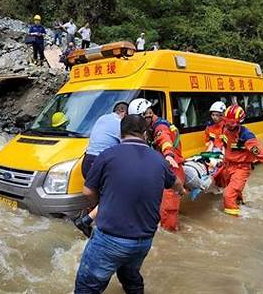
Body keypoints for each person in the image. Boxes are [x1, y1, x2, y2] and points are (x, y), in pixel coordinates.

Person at [74, 114, 184, 293]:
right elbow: (177, 184)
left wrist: (100, 205)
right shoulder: (159, 160)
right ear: (145, 134)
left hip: (110, 239)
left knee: (88, 287)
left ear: (120, 133)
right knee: (130, 277)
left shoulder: (107, 155)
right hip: (143, 242)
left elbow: (87, 191)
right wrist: (180, 190)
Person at [128, 98, 185, 232]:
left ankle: (170, 235)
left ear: (148, 115)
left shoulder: (160, 127)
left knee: (168, 208)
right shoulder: (151, 127)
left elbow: (164, 140)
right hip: (162, 168)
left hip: (172, 168)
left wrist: (169, 155)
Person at [214, 105, 263, 216]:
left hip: (241, 168)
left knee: (228, 194)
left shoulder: (246, 137)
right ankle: (240, 205)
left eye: (232, 123)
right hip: (227, 165)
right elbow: (224, 144)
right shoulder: (225, 129)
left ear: (239, 122)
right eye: (227, 122)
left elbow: (262, 154)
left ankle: (233, 221)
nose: (229, 125)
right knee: (230, 190)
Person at [73, 101, 128, 237]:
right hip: (101, 162)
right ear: (124, 112)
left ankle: (90, 221)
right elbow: (127, 146)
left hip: (86, 161)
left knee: (100, 196)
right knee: (112, 195)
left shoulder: (102, 118)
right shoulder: (119, 123)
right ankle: (87, 222)